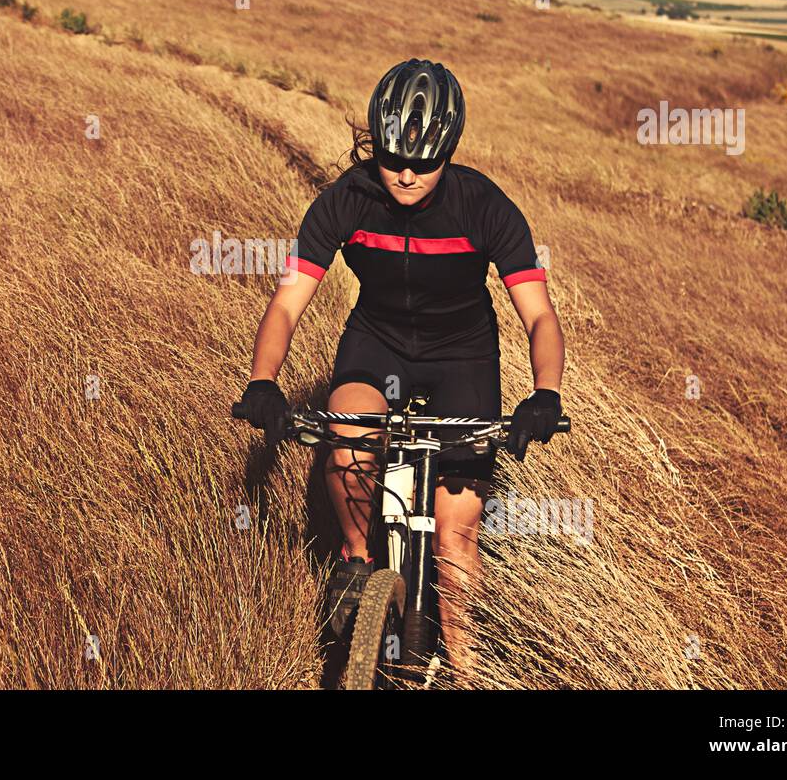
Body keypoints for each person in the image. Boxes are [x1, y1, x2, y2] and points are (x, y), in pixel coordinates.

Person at [234, 58, 566, 672]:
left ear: (450, 152)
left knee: (455, 539)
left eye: (424, 162)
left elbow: (540, 316)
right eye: (393, 159)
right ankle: (356, 561)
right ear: (375, 145)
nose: (407, 175)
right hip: (378, 341)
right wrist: (263, 381)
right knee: (347, 428)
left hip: (462, 355)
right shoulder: (348, 199)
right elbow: (286, 303)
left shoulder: (484, 206)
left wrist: (545, 394)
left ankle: (464, 669)